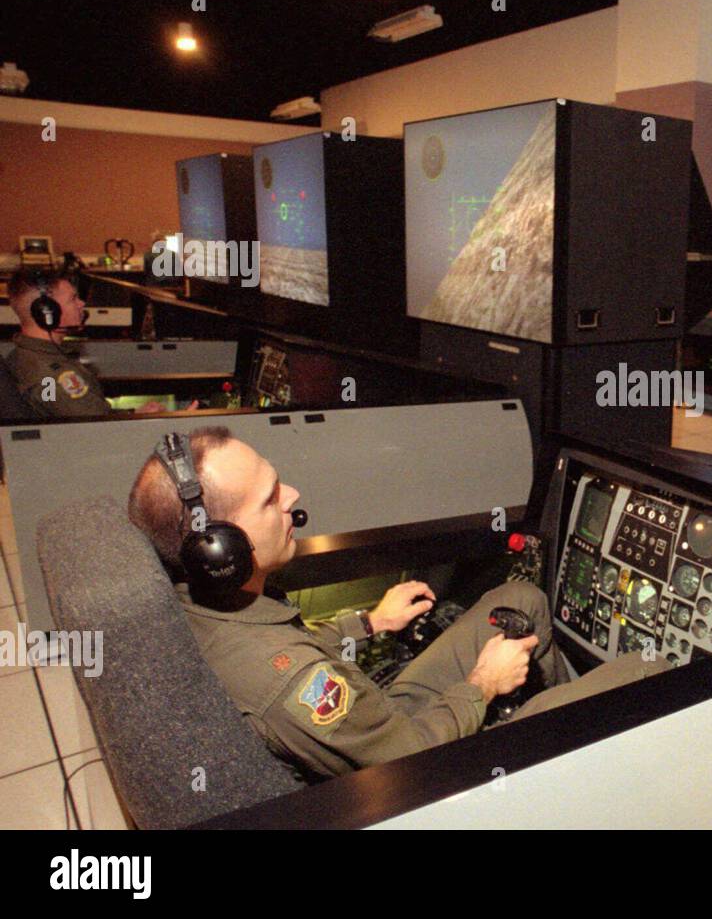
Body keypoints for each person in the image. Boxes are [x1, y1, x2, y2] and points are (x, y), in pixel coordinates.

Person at [127, 426, 666, 781]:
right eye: (269, 498)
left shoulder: (212, 597)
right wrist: (483, 684)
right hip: (418, 773)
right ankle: (544, 752)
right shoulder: (288, 685)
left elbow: (291, 645)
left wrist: (368, 622)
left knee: (520, 597)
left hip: (375, 723)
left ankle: (567, 745)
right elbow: (408, 758)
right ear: (217, 550)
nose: (290, 495)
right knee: (646, 670)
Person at [4, 268, 197, 418]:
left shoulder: (26, 356)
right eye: (73, 299)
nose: (81, 304)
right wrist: (175, 421)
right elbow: (99, 431)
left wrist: (135, 415)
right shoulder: (51, 378)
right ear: (47, 312)